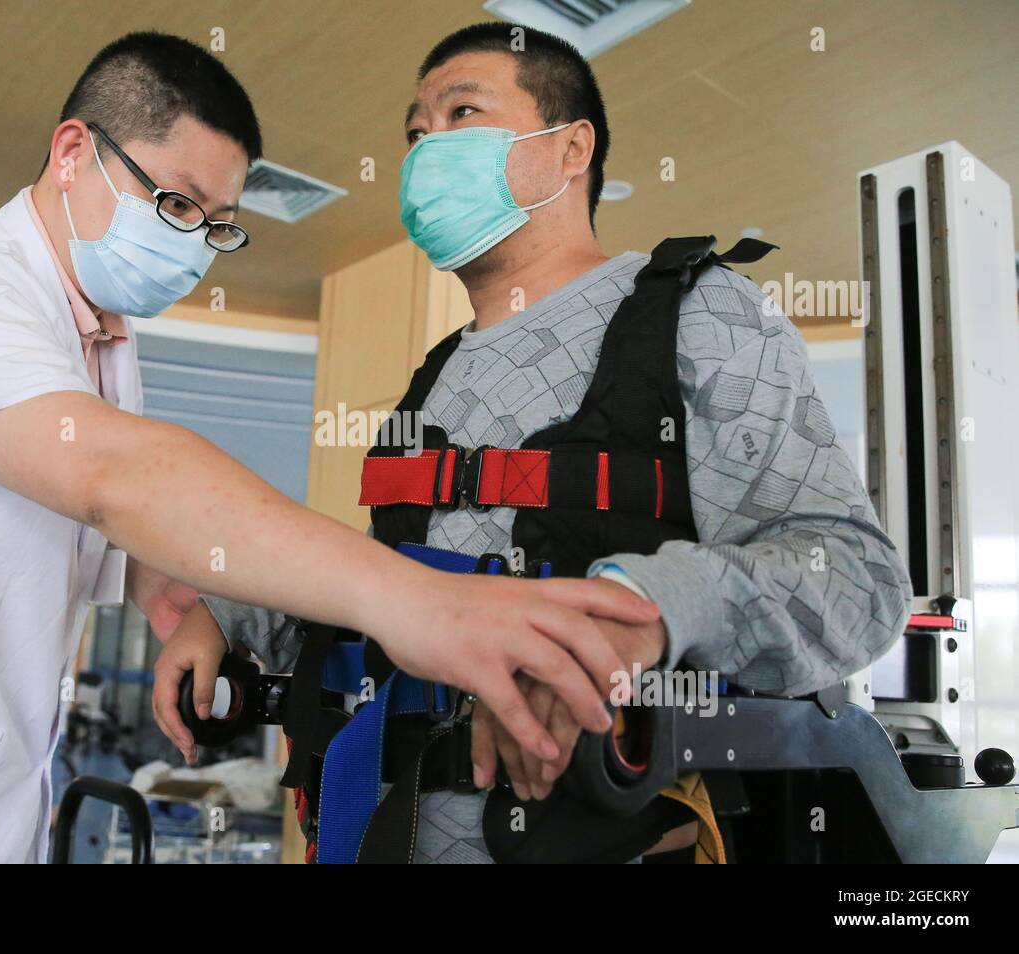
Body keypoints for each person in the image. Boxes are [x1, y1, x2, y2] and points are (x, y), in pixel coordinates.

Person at [0, 31, 659, 864]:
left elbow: (124, 552)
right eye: (176, 205)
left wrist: (210, 606)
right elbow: (112, 476)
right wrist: (420, 602)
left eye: (217, 226)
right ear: (73, 152)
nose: (196, 246)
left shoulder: (98, 339)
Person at [152, 22, 912, 863]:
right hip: (382, 829)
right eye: (414, 132)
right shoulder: (434, 377)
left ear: (569, 148)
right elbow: (396, 605)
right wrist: (231, 612)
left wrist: (639, 613)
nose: (425, 150)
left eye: (461, 113)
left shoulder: (699, 314)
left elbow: (856, 581)